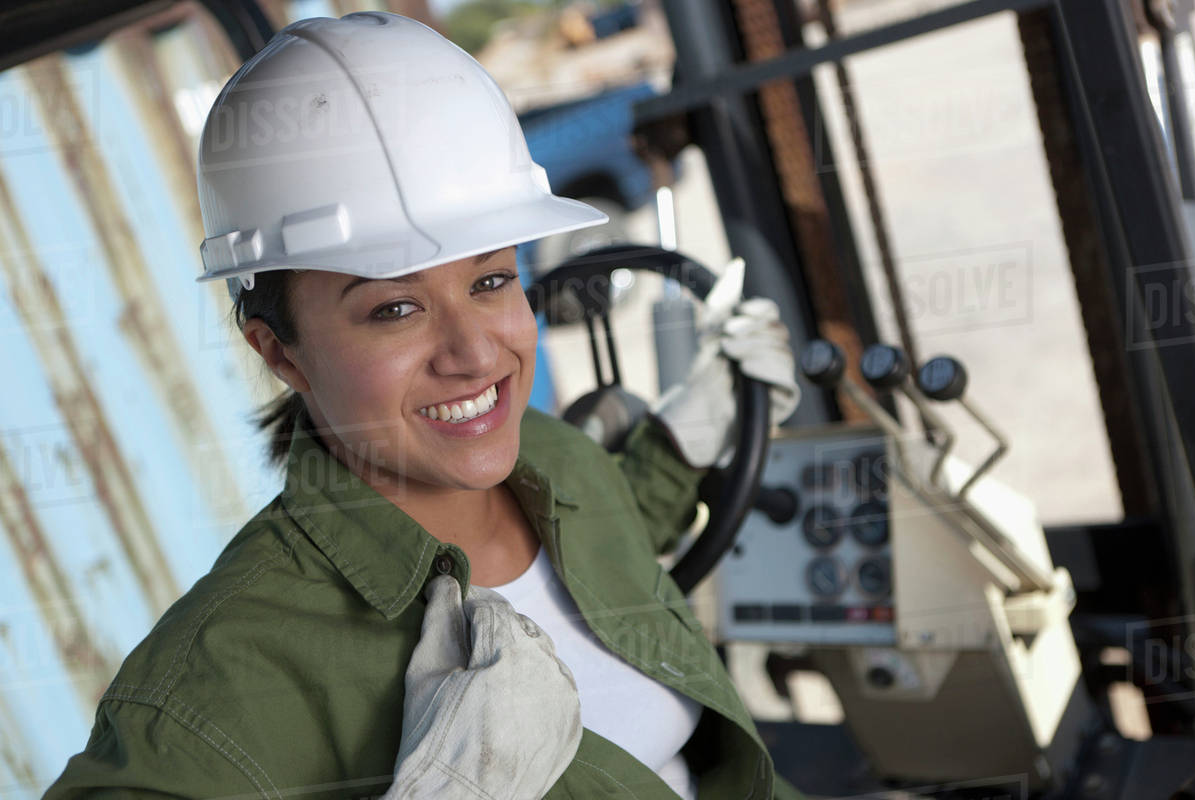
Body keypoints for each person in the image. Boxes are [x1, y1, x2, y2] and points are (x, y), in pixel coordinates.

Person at [44, 12, 804, 800]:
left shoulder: (554, 456)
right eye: (394, 310)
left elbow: (600, 553)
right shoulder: (227, 675)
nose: (475, 354)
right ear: (280, 351)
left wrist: (682, 441)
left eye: (490, 281)